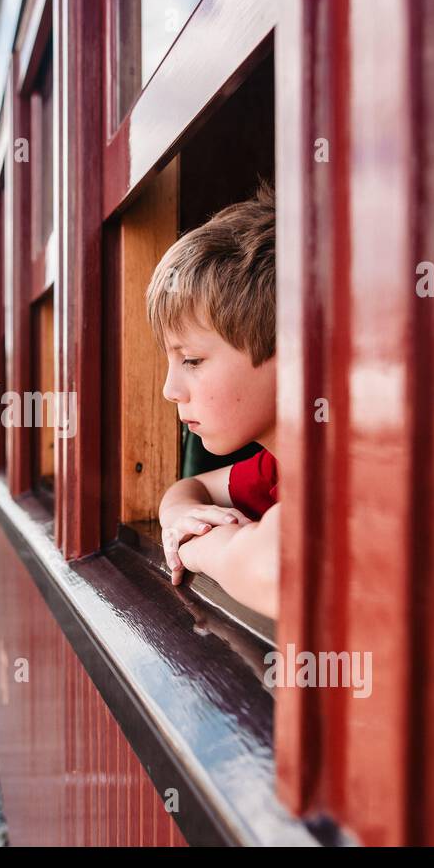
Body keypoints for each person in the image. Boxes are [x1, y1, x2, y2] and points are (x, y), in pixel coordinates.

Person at [148, 180, 280, 617]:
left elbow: (279, 571)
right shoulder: (275, 465)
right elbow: (192, 487)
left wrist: (198, 546)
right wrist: (182, 514)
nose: (170, 390)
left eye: (193, 360)